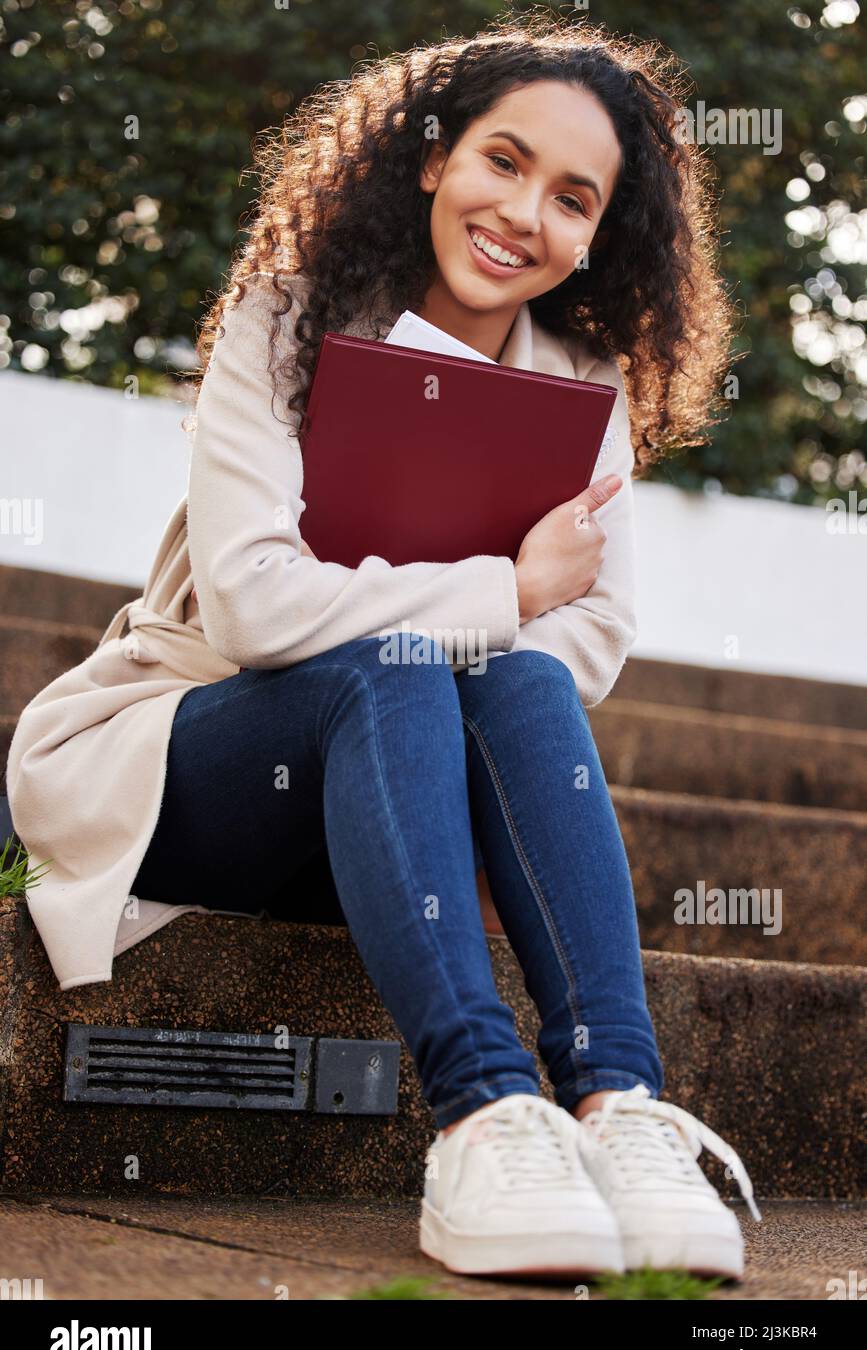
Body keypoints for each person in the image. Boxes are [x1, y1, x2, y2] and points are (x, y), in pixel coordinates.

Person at [6, 12, 760, 1282]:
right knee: (423, 661)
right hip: (185, 761)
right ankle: (479, 1113)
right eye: (502, 161)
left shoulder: (589, 392)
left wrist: (486, 621)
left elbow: (589, 644)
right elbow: (252, 607)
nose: (526, 212)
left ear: (602, 235)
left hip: (402, 797)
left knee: (501, 675)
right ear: (429, 158)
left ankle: (621, 1110)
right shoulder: (285, 322)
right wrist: (501, 588)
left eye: (574, 197)